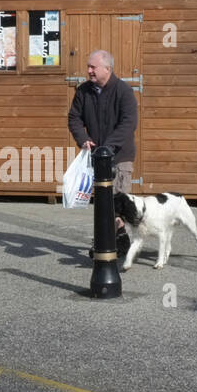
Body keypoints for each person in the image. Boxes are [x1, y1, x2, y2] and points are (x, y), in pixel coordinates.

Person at [68, 49, 137, 253]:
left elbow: (129, 123)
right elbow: (74, 118)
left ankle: (109, 241)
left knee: (116, 202)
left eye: (93, 67)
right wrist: (83, 139)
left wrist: (108, 147)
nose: (88, 71)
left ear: (107, 68)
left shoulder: (124, 91)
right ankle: (117, 239)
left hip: (119, 156)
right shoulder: (83, 91)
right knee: (102, 202)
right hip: (95, 158)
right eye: (88, 66)